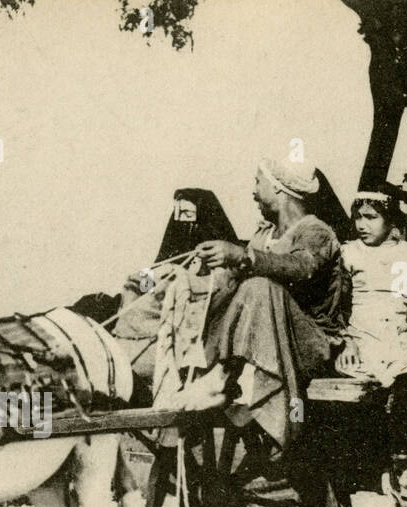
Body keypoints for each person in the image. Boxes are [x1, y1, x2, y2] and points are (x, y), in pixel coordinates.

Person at [143, 155, 349, 456]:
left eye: (257, 181)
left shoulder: (316, 232)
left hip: (309, 344)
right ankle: (197, 371)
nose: (253, 191)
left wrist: (242, 257)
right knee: (210, 286)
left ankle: (223, 377)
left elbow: (302, 267)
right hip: (271, 339)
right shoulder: (264, 234)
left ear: (278, 188)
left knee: (258, 286)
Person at [336, 182, 407, 507]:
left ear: (390, 220)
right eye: (358, 217)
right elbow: (335, 305)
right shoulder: (348, 254)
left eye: (371, 217)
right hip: (362, 338)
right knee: (405, 379)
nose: (362, 225)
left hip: (400, 337)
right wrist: (345, 341)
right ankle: (402, 469)